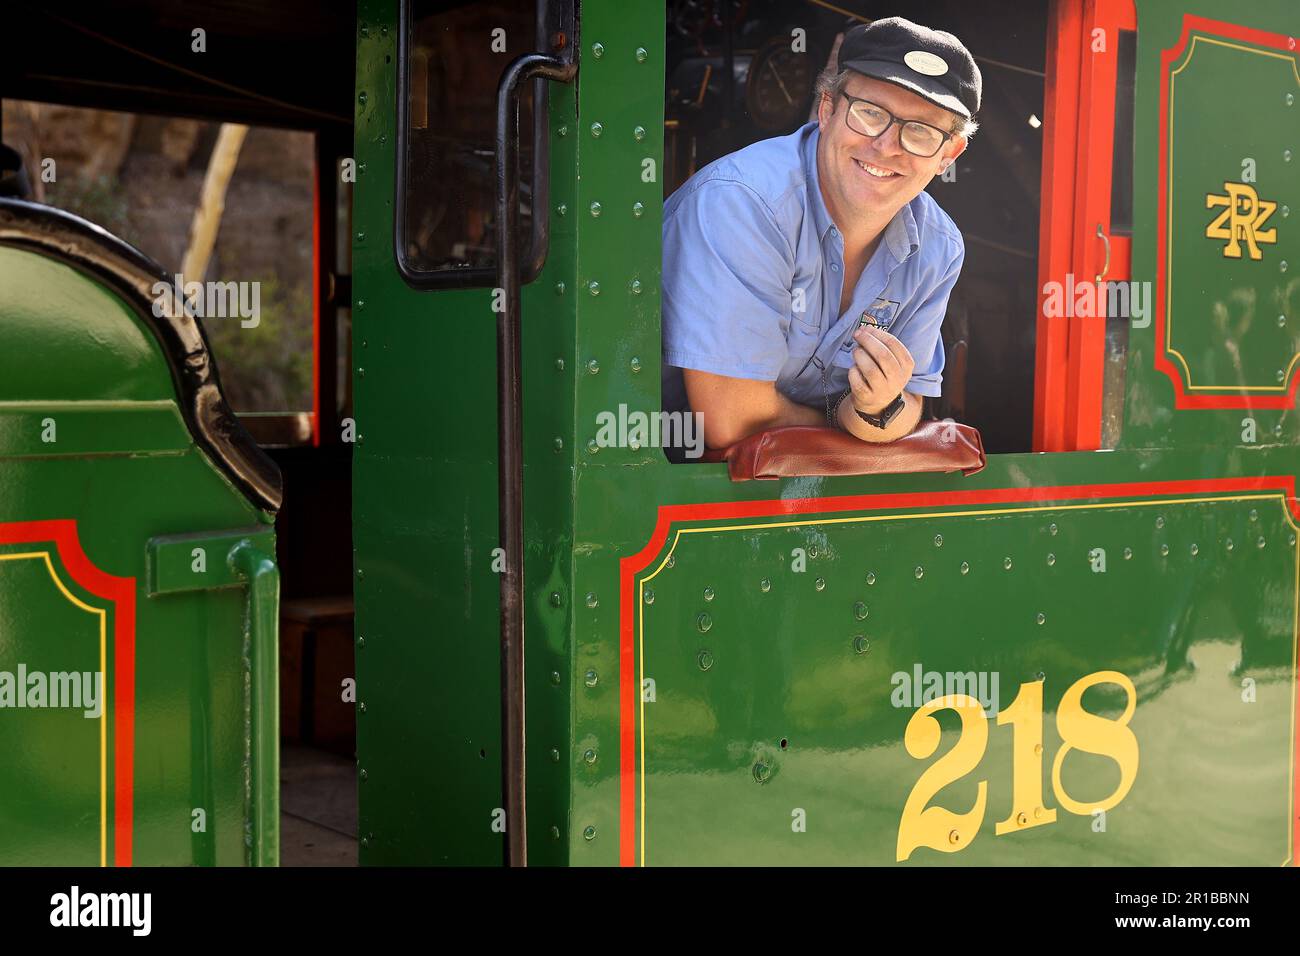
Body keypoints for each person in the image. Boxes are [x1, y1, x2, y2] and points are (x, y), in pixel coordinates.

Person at [662, 17, 981, 450]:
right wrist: (849, 422)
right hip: (661, 484)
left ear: (948, 153)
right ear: (828, 107)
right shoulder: (745, 203)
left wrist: (873, 408)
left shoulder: (938, 248)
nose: (887, 146)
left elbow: (905, 405)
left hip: (803, 491)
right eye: (870, 113)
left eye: (921, 131)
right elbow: (730, 426)